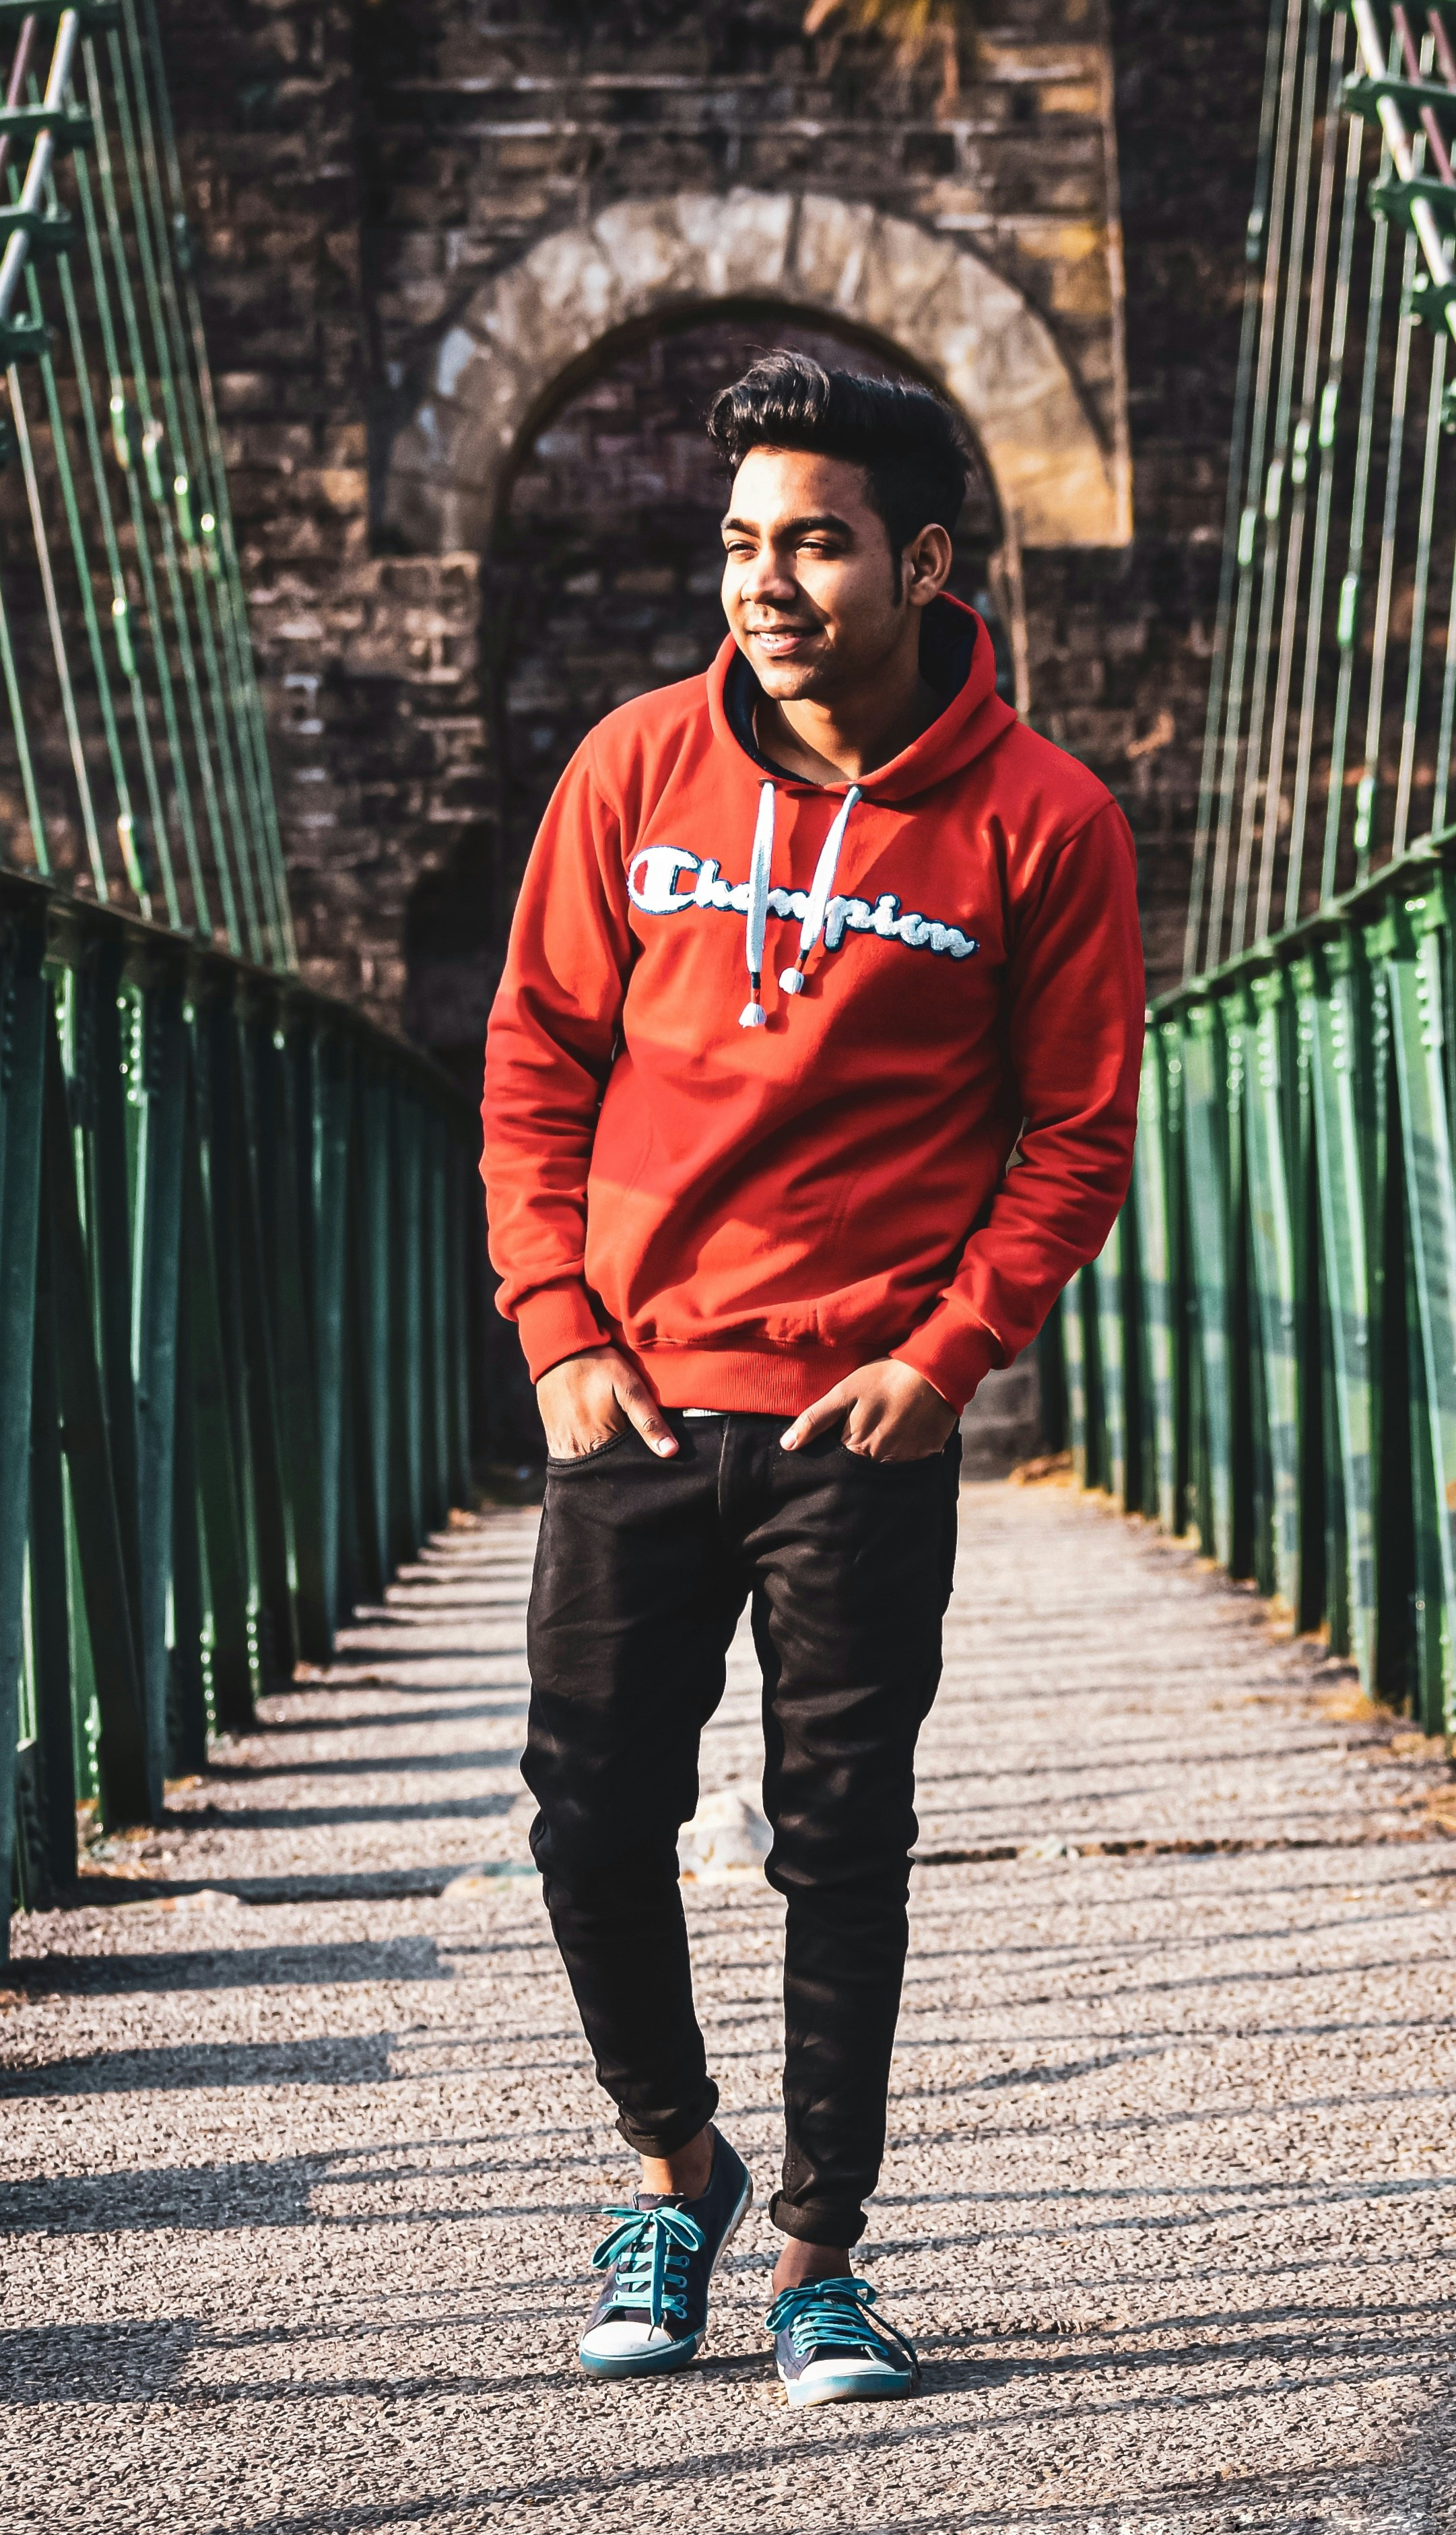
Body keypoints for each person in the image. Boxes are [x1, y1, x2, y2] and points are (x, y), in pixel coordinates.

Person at [477, 351, 1144, 2408]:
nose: (764, 581)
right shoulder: (631, 772)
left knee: (839, 1835)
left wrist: (951, 1358)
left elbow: (1075, 1136)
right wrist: (560, 1332)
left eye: (815, 541)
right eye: (743, 541)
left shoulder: (1047, 824)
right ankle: (676, 2172)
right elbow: (533, 1071)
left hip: (860, 1418)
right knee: (590, 1821)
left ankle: (819, 2260)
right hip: (642, 1402)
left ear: (923, 560)